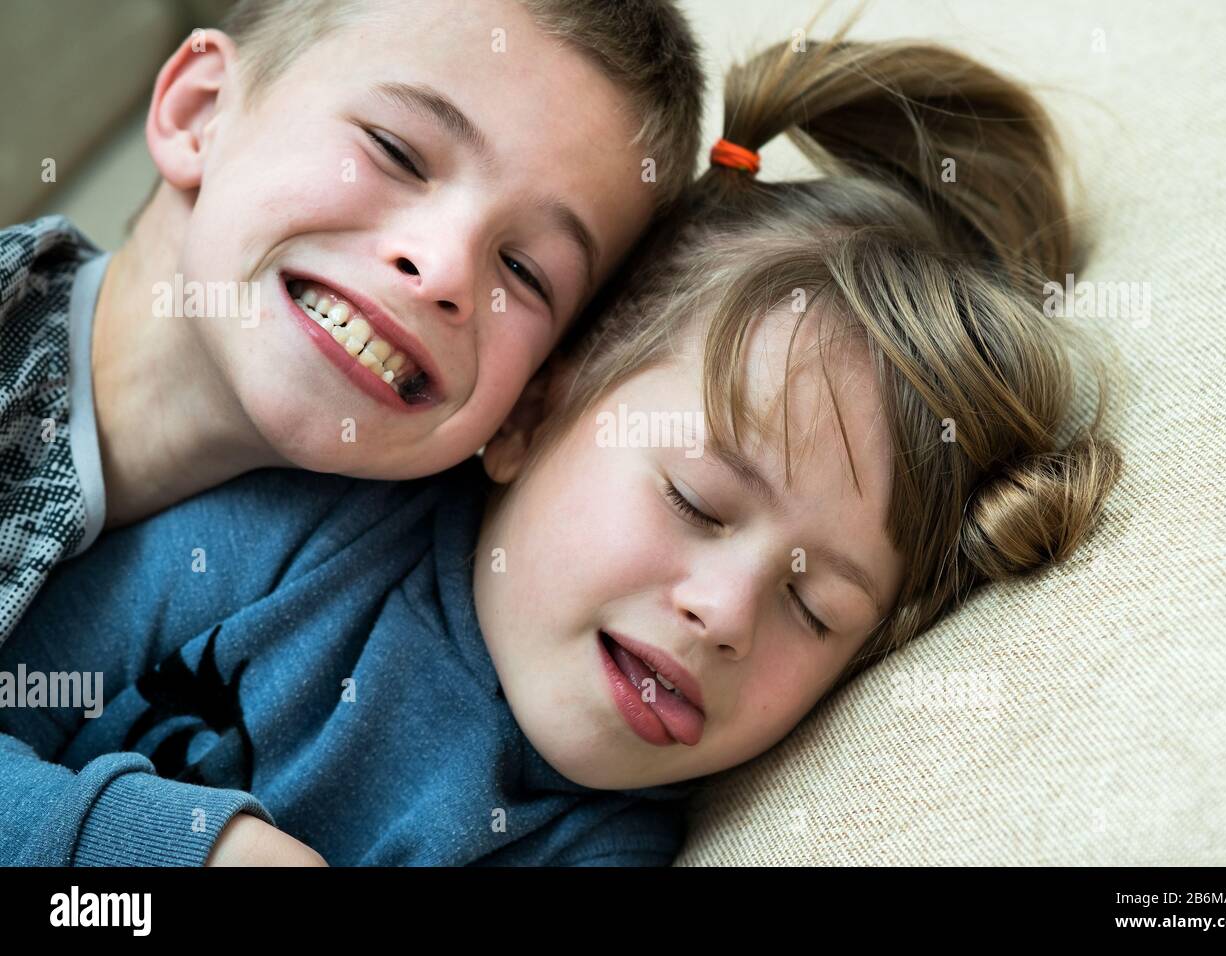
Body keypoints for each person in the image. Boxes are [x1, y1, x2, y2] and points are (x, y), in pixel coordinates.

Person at [1, 28, 1123, 865]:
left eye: (816, 606)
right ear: (530, 410)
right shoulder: (283, 534)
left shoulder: (599, 842)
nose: (724, 614)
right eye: (693, 498)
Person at [0, 0, 704, 643]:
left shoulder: (381, 615)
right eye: (396, 152)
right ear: (200, 112)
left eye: (525, 271)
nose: (445, 269)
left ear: (529, 396)